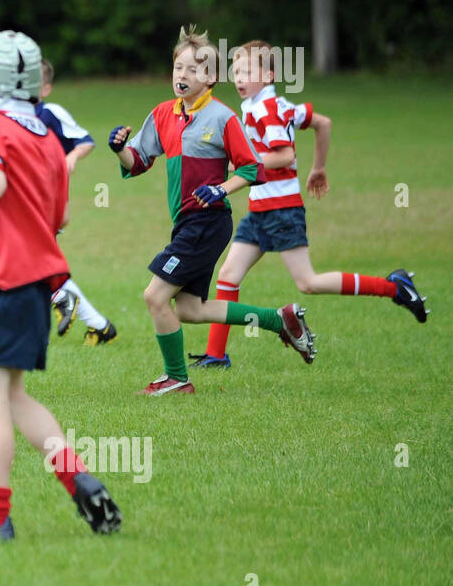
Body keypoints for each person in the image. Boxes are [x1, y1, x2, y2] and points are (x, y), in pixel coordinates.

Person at [0, 31, 121, 543]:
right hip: (38, 280)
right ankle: (77, 476)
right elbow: (60, 216)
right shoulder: (46, 134)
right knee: (13, 395)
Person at [192, 41, 429, 368]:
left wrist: (241, 165)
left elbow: (285, 154)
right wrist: (318, 167)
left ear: (269, 75)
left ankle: (394, 287)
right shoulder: (271, 104)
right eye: (236, 71)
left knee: (308, 283)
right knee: (229, 275)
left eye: (248, 71)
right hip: (260, 209)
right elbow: (323, 123)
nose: (239, 78)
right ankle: (216, 355)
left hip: (282, 210)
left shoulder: (266, 109)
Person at [108, 27, 317, 396]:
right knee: (189, 308)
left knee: (155, 296)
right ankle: (278, 320)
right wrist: (120, 148)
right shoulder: (162, 115)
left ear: (210, 78)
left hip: (208, 222)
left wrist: (220, 188)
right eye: (178, 68)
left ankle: (177, 379)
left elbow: (253, 168)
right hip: (186, 223)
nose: (182, 76)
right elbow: (138, 162)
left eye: (192, 70)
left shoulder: (222, 117)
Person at [35, 59, 117, 345]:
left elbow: (86, 140)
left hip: (47, 202)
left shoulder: (50, 113)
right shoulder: (7, 115)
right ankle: (100, 325)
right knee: (39, 266)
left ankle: (60, 299)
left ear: (46, 88)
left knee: (34, 265)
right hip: (25, 201)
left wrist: (71, 156)